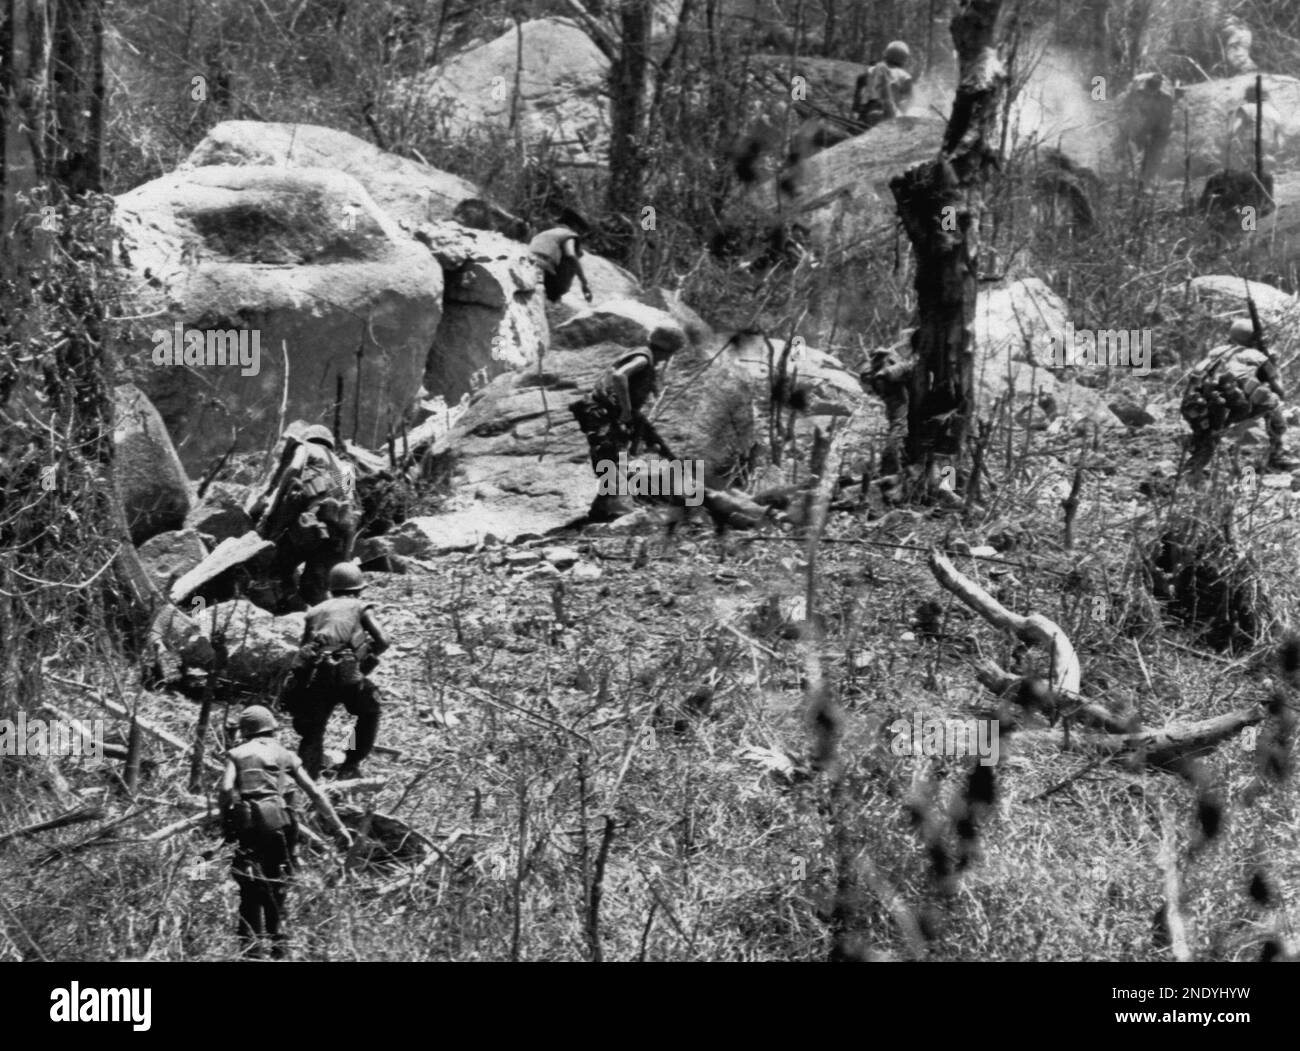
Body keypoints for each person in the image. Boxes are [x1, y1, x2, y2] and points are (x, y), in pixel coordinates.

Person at [219, 705, 353, 960]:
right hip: (281, 824)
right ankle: (279, 948)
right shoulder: (286, 755)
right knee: (277, 884)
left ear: (245, 730)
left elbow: (226, 788)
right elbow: (315, 792)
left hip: (248, 825)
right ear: (272, 727)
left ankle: (251, 951)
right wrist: (339, 827)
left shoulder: (236, 753)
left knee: (248, 888)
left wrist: (224, 817)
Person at [279, 562, 390, 780]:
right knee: (368, 713)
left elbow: (303, 651)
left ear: (331, 589)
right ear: (359, 590)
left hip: (318, 675)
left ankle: (306, 779)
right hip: (348, 673)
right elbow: (384, 641)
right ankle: (350, 763)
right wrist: (365, 661)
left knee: (314, 729)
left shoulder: (315, 612)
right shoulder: (360, 607)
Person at [570, 327, 684, 520]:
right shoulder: (643, 359)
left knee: (615, 458)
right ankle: (614, 509)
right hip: (603, 414)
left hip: (605, 413)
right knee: (611, 458)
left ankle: (601, 510)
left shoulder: (644, 356)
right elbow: (619, 376)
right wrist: (625, 409)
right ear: (668, 350)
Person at [249, 424, 360, 610]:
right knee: (314, 587)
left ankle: (292, 611)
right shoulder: (345, 466)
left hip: (309, 525)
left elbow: (293, 469)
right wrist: (346, 556)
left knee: (278, 571)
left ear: (308, 438)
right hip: (336, 535)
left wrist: (273, 506)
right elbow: (349, 503)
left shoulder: (305, 447)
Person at [1181, 317, 1299, 478]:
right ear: (1255, 339)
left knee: (1208, 439)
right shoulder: (1257, 356)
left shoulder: (1215, 353)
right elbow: (1280, 392)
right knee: (1273, 404)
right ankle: (1276, 455)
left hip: (1198, 407)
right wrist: (1273, 366)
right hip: (1235, 410)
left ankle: (1189, 470)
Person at [852, 40, 914, 130]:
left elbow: (858, 97)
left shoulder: (870, 70)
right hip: (888, 117)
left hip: (866, 114)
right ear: (904, 59)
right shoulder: (905, 77)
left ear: (886, 54)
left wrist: (855, 111)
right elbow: (906, 104)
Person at [1226, 82, 1285, 172]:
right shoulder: (1276, 113)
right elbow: (1280, 141)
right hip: (1269, 157)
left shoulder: (1246, 108)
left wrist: (1230, 119)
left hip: (1250, 154)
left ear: (1249, 97)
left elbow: (1232, 130)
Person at [529, 226, 593, 303]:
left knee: (571, 261)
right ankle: (554, 295)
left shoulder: (556, 232)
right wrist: (584, 283)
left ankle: (551, 294)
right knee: (573, 262)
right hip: (543, 264)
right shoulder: (571, 236)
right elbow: (571, 256)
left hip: (530, 258)